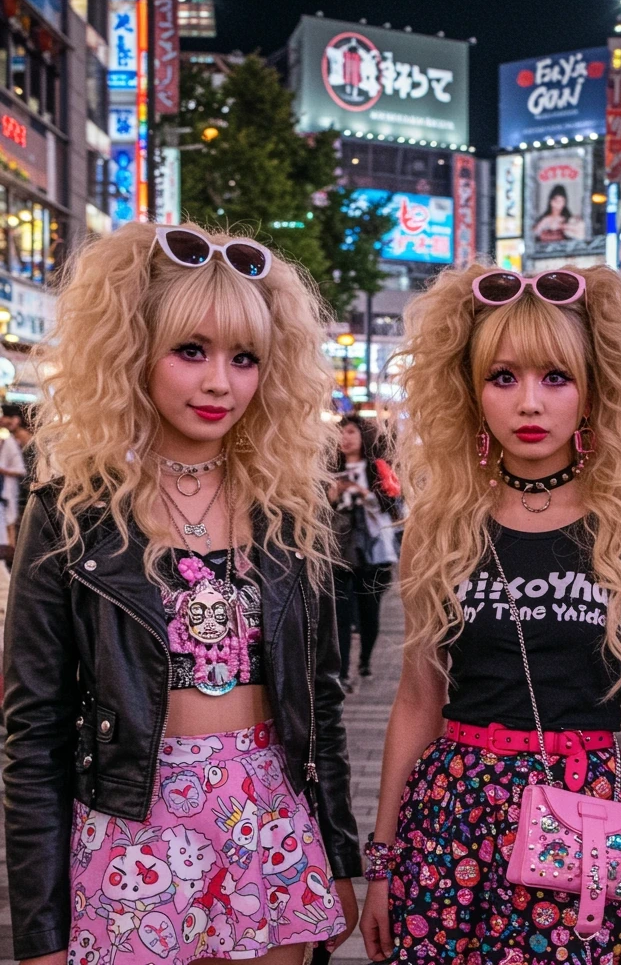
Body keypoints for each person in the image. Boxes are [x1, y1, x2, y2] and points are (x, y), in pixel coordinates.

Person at [3, 222, 361, 965]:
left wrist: (341, 852)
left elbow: (320, 702)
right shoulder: (74, 509)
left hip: (270, 817)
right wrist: (40, 927)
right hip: (134, 823)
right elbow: (32, 729)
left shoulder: (290, 510)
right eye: (190, 350)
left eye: (245, 359)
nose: (218, 382)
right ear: (134, 351)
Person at [359, 264, 621, 965]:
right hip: (451, 815)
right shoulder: (439, 526)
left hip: (588, 813)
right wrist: (382, 864)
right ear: (471, 391)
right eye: (503, 377)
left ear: (594, 391)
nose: (529, 403)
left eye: (556, 377)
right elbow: (418, 699)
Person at [328, 414, 401, 680]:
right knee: (341, 616)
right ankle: (343, 671)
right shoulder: (330, 470)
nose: (345, 438)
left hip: (374, 553)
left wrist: (362, 493)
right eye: (341, 433)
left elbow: (393, 505)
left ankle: (365, 661)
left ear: (362, 436)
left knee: (370, 612)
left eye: (350, 432)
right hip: (339, 553)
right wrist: (331, 497)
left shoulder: (378, 469)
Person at [0, 402, 25, 546]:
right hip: (11, 490)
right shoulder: (10, 439)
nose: (2, 420)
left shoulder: (15, 439)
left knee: (11, 523)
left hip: (17, 490)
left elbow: (21, 469)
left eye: (5, 416)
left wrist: (3, 470)